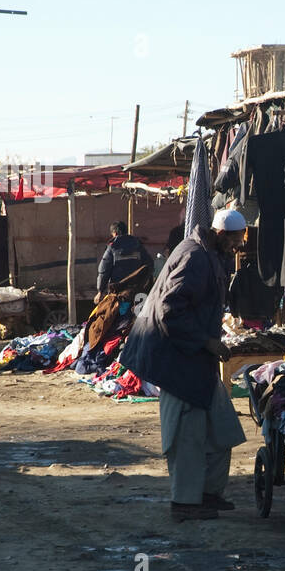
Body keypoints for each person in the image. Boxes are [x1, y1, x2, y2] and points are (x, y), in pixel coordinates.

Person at [121, 208, 248, 522]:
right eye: (235, 240)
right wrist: (206, 342)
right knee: (187, 435)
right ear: (220, 235)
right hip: (175, 359)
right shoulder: (194, 257)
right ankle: (185, 504)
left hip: (194, 357)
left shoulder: (206, 254)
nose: (238, 247)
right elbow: (169, 311)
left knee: (222, 427)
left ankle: (207, 494)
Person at [94, 221, 153, 302]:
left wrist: (100, 291)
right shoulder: (138, 244)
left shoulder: (112, 247)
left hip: (118, 292)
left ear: (114, 233)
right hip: (137, 292)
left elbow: (104, 270)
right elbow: (150, 265)